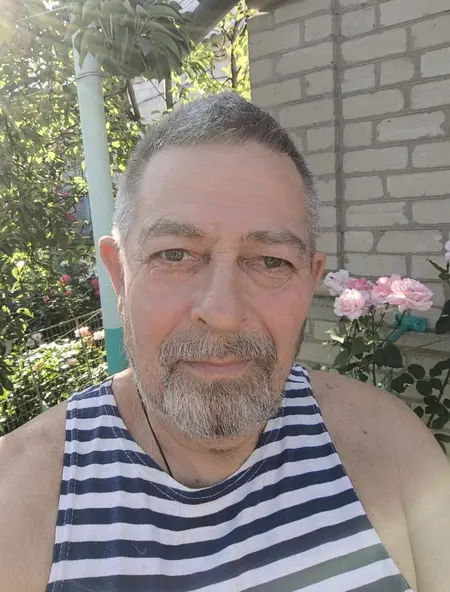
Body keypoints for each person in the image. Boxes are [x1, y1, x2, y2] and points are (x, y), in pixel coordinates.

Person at [1, 93, 449, 592]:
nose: (222, 312)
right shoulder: (15, 506)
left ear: (310, 280)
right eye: (175, 255)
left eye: (272, 261)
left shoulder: (391, 446)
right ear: (119, 275)